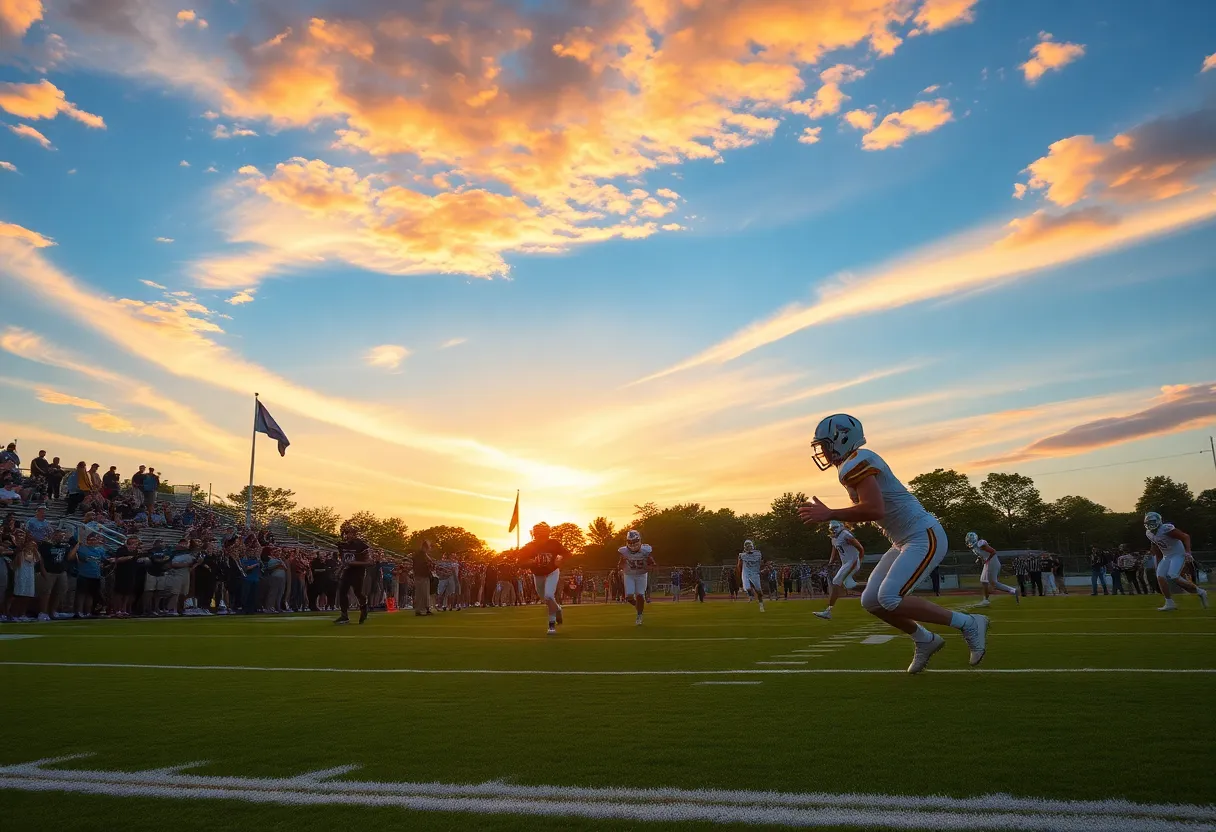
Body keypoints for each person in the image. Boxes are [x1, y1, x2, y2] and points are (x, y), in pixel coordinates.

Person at [799, 414, 988, 673]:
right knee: (871, 601)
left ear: (841, 438)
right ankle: (924, 639)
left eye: (824, 444)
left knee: (889, 597)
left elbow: (874, 509)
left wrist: (831, 513)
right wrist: (838, 515)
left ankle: (969, 623)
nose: (822, 451)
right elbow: (875, 508)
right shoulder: (853, 463)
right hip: (902, 540)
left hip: (922, 534)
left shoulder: (857, 462)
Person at [1144, 512, 1208, 611]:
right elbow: (1156, 546)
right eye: (1149, 522)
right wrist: (1158, 561)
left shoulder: (1165, 528)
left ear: (1158, 521)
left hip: (1178, 554)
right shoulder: (1148, 533)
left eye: (1152, 522)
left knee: (1173, 575)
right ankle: (1169, 603)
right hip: (1166, 556)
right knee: (1160, 576)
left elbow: (1185, 536)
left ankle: (1201, 592)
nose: (1151, 524)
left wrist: (1188, 552)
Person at [515, 522, 572, 634]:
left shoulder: (554, 543)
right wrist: (531, 562)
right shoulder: (529, 546)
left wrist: (561, 558)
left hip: (552, 572)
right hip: (538, 574)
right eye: (539, 535)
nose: (541, 538)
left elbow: (567, 554)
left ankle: (551, 625)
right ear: (535, 535)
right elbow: (520, 562)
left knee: (549, 596)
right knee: (545, 599)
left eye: (543, 535)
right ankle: (558, 609)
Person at [814, 520, 866, 620]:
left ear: (840, 526)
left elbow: (860, 548)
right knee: (849, 585)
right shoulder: (834, 538)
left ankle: (828, 611)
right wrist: (830, 562)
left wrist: (858, 560)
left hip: (852, 562)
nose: (833, 530)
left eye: (835, 528)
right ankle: (874, 589)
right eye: (832, 529)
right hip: (846, 564)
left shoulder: (846, 535)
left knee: (836, 582)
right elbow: (834, 551)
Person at [966, 532, 1018, 607]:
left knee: (992, 583)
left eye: (969, 540)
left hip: (992, 562)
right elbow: (982, 554)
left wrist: (987, 560)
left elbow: (993, 551)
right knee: (986, 581)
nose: (968, 541)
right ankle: (1012, 591)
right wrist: (979, 559)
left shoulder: (980, 543)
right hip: (989, 563)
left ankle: (1012, 590)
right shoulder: (974, 548)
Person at [334, 523, 372, 624]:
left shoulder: (361, 546)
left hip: (358, 571)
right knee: (342, 591)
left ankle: (364, 608)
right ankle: (344, 615)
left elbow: (369, 562)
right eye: (346, 533)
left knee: (358, 592)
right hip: (347, 571)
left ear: (355, 534)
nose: (347, 535)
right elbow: (343, 559)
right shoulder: (342, 545)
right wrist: (340, 568)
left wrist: (354, 563)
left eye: (350, 533)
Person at [36, 528, 75, 620]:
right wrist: (43, 571)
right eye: (59, 535)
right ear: (53, 535)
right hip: (49, 571)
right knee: (46, 593)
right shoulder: (45, 545)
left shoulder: (65, 546)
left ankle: (52, 612)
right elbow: (41, 559)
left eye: (62, 536)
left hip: (61, 571)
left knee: (59, 592)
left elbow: (69, 557)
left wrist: (76, 545)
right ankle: (43, 612)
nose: (61, 537)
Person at [618, 529, 656, 625]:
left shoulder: (645, 550)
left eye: (634, 541)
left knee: (640, 595)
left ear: (639, 540)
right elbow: (620, 563)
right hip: (629, 574)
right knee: (629, 596)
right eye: (630, 542)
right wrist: (621, 568)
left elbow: (652, 563)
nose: (632, 544)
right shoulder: (624, 551)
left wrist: (650, 566)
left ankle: (639, 614)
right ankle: (638, 607)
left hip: (641, 574)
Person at [71, 532, 108, 618]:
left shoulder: (100, 550)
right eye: (90, 540)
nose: (92, 541)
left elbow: (104, 560)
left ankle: (88, 612)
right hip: (84, 574)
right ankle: (79, 612)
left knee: (90, 595)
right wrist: (77, 545)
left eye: (94, 540)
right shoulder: (82, 548)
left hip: (95, 575)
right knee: (81, 594)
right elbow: (72, 557)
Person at [737, 539, 765, 612]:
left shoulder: (758, 554)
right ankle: (751, 595)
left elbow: (761, 563)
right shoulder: (742, 555)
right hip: (746, 573)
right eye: (747, 546)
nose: (749, 548)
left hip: (755, 573)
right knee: (747, 588)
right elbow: (739, 565)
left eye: (749, 546)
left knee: (759, 592)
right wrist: (740, 572)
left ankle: (761, 605)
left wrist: (761, 570)